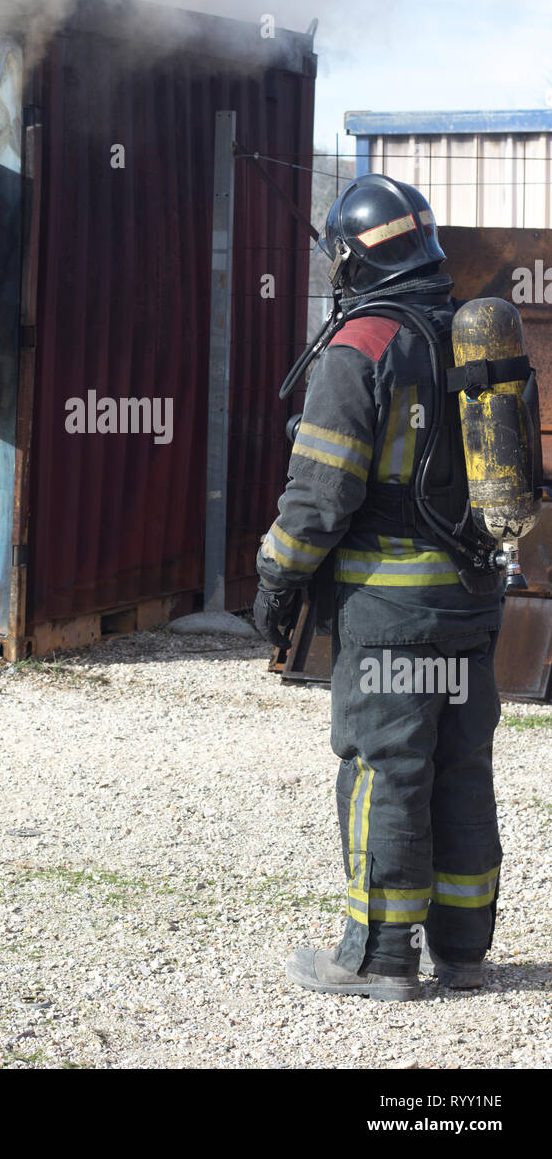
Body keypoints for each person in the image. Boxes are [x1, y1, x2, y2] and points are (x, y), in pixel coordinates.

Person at [254, 173, 506, 1002]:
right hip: (470, 609)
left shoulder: (362, 344)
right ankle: (464, 954)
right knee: (460, 768)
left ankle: (378, 959)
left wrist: (276, 576)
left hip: (393, 616)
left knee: (387, 768)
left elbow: (321, 494)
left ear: (356, 258)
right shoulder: (463, 336)